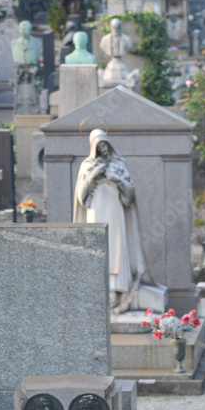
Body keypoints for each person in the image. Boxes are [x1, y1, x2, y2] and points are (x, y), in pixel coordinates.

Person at [73, 129, 150, 310]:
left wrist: (116, 179)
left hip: (116, 212)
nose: (103, 149)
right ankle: (99, 290)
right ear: (93, 148)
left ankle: (117, 289)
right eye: (99, 146)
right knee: (99, 247)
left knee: (116, 246)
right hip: (95, 212)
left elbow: (130, 196)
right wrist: (93, 176)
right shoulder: (87, 165)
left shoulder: (119, 164)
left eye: (105, 145)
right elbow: (81, 197)